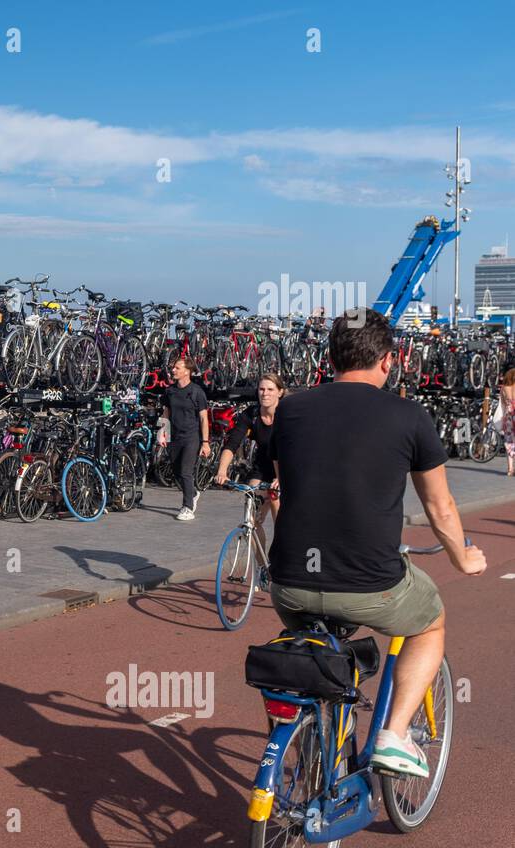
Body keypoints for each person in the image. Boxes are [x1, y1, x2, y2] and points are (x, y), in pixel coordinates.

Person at [268, 309, 485, 778]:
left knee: (313, 639)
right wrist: (462, 556)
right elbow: (440, 507)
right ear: (388, 361)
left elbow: (288, 486)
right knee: (430, 621)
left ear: (331, 357)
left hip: (288, 580)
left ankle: (315, 737)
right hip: (371, 583)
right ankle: (393, 735)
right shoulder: (408, 415)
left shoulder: (291, 409)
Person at [214, 373, 284, 556]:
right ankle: (262, 569)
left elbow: (296, 447)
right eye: (261, 389)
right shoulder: (251, 414)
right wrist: (222, 471)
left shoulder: (286, 414)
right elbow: (232, 443)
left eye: (270, 389)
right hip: (261, 470)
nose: (265, 394)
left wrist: (281, 477)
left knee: (281, 521)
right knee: (252, 520)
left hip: (284, 469)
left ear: (280, 392)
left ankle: (281, 563)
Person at [162, 357, 210, 521]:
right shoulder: (170, 391)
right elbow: (166, 413)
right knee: (176, 472)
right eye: (173, 367)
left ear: (187, 371)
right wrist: (162, 433)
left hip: (192, 437)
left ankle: (188, 507)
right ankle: (193, 493)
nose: (173, 370)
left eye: (177, 368)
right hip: (174, 437)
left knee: (185, 471)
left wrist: (205, 442)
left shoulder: (197, 392)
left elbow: (204, 418)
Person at [500, 367, 515, 478]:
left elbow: (502, 404)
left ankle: (510, 469)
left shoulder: (504, 388)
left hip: (508, 416)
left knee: (509, 442)